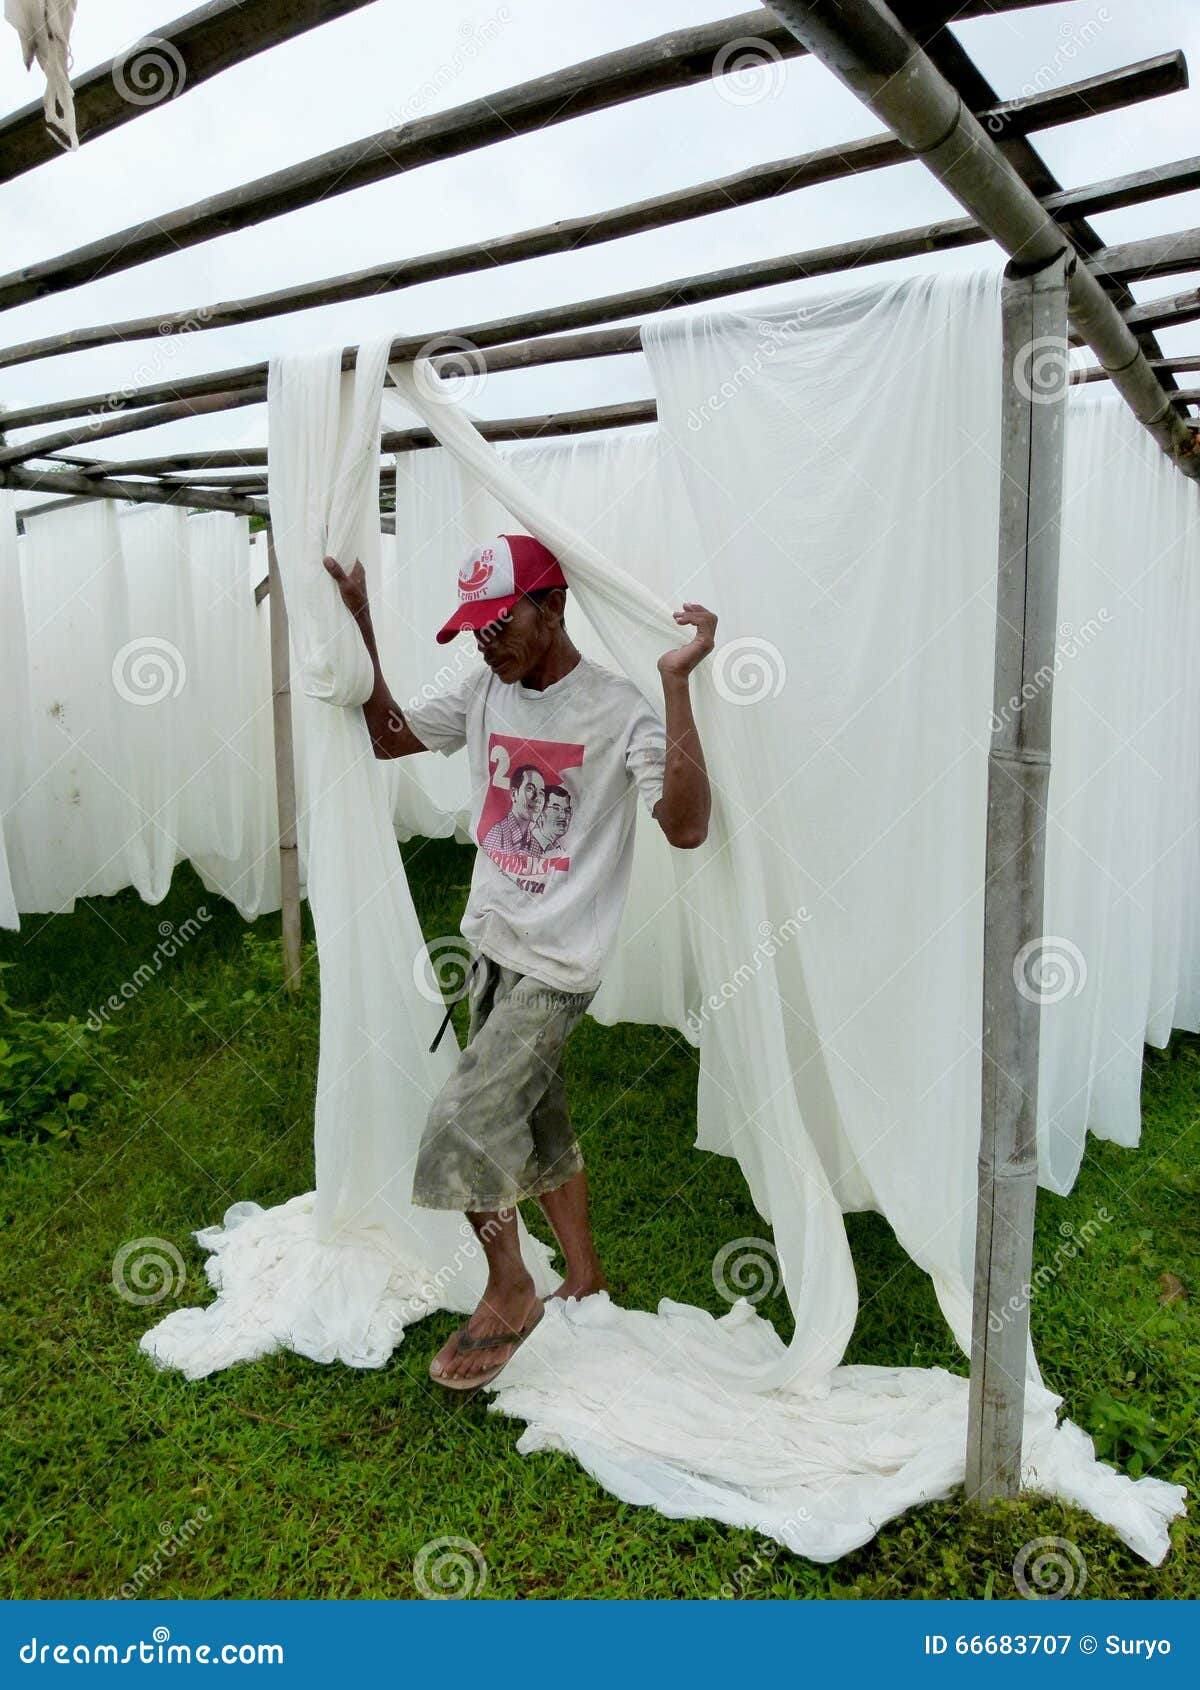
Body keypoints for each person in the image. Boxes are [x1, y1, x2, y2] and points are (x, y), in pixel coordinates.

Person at [324, 533, 715, 1390]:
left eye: (500, 625)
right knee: (540, 1123)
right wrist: (357, 623)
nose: (485, 644)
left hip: (557, 967)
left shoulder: (618, 712)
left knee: (460, 1127)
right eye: (474, 631)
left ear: (554, 607)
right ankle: (585, 1274)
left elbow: (685, 826)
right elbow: (392, 736)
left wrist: (676, 686)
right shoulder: (482, 686)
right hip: (491, 943)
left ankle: (512, 1284)